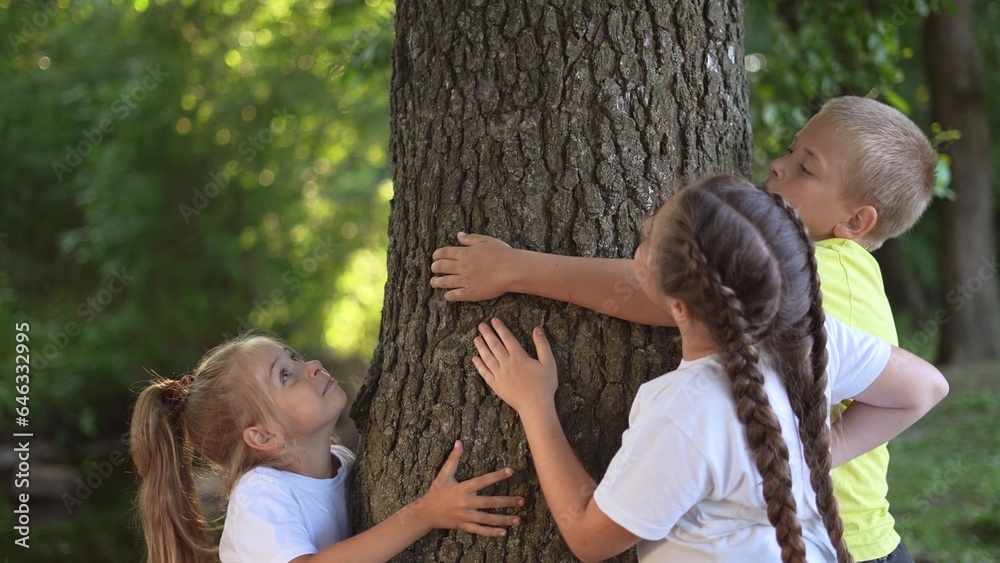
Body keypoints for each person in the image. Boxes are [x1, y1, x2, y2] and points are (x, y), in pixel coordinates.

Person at [431, 96, 937, 563]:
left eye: (806, 168)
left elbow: (648, 289)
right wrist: (812, 452)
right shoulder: (833, 277)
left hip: (832, 538)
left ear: (856, 221)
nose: (778, 165)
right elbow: (924, 388)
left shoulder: (809, 280)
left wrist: (517, 269)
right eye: (790, 150)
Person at [129, 333, 524, 563]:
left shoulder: (345, 462)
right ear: (262, 437)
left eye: (295, 359)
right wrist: (424, 514)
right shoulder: (260, 493)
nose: (313, 365)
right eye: (285, 375)